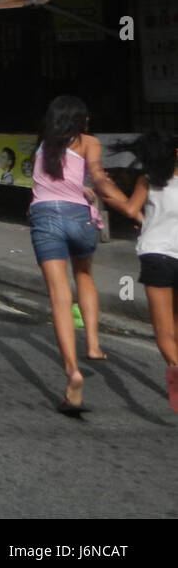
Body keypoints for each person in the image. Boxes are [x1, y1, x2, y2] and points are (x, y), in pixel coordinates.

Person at [28, 95, 134, 415]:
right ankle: (93, 344)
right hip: (80, 218)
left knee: (60, 298)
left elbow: (51, 180)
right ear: (80, 121)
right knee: (84, 275)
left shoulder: (43, 144)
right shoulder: (88, 142)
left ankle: (72, 371)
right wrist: (124, 203)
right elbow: (98, 178)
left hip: (45, 217)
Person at [120, 131, 178, 413]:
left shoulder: (148, 180)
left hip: (156, 255)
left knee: (163, 329)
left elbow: (130, 208)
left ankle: (176, 368)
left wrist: (147, 221)